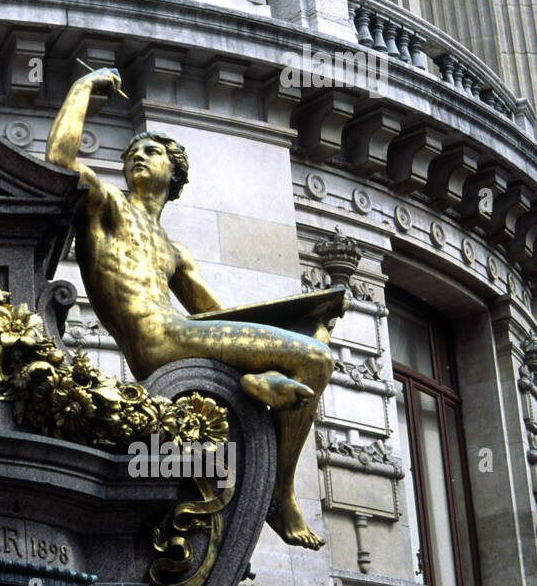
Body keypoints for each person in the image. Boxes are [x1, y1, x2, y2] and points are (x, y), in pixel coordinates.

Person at [46, 67, 334, 549]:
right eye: (132, 152)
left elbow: (227, 322)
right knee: (313, 359)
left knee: (316, 351)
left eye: (152, 151)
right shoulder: (107, 205)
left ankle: (253, 387)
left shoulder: (176, 251)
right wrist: (81, 88)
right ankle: (281, 496)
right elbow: (59, 159)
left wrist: (309, 317)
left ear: (174, 173)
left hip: (179, 336)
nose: (138, 155)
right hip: (157, 340)